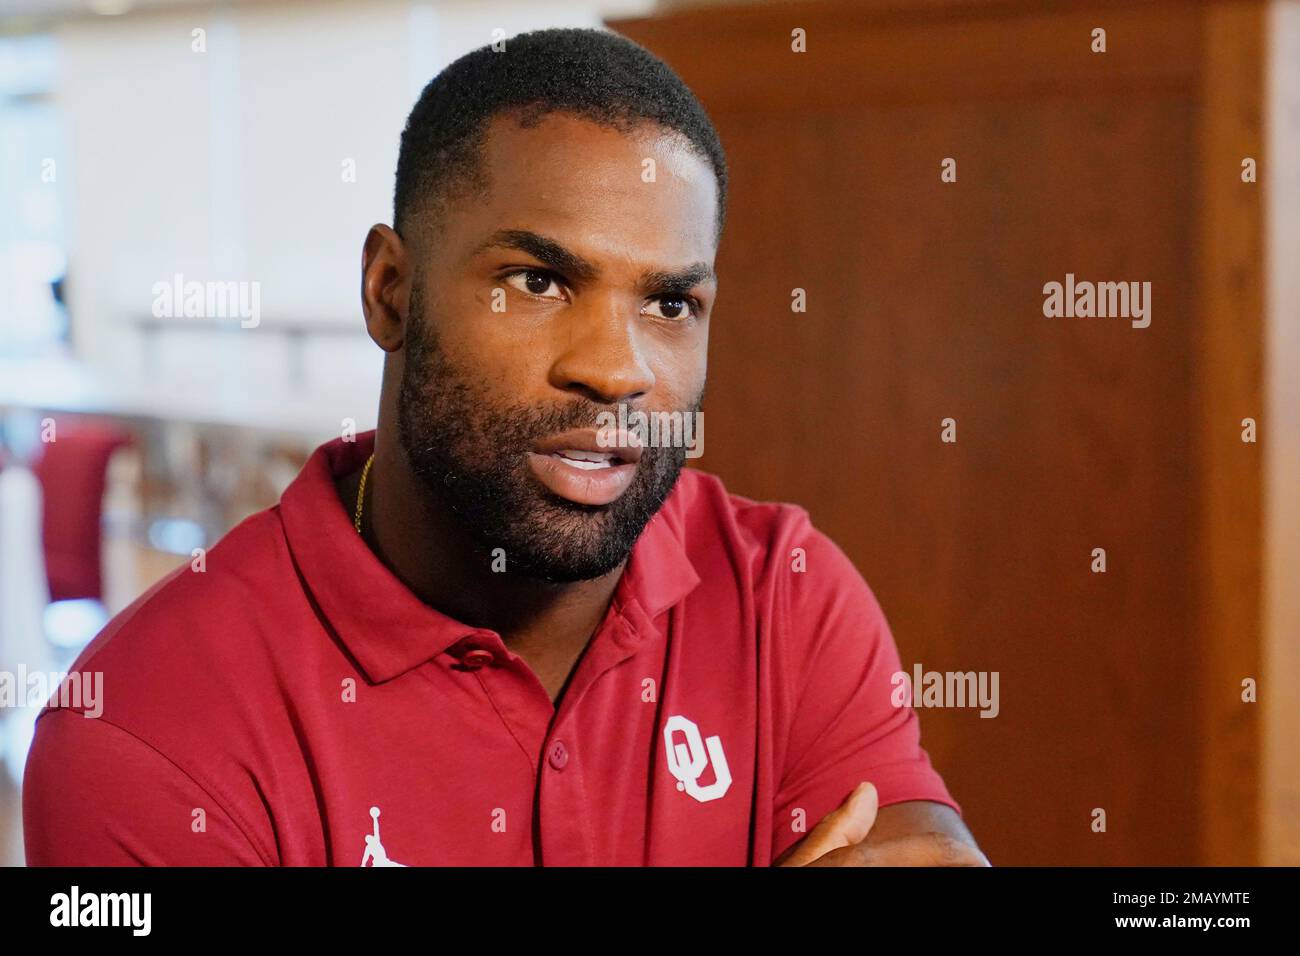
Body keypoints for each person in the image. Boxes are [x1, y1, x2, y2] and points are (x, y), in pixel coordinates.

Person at [23, 26, 986, 867]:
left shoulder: (784, 594)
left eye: (668, 303)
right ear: (391, 290)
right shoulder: (147, 736)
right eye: (537, 282)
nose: (616, 370)